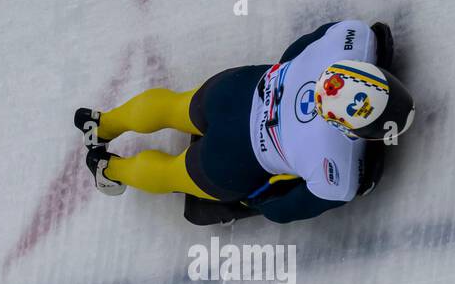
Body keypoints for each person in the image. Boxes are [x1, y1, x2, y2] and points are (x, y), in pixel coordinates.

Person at [74, 20, 414, 224]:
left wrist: (284, 75)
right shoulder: (335, 169)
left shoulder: (353, 38)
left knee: (174, 106)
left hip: (235, 91)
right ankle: (109, 170)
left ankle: (102, 123)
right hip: (232, 162)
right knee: (170, 174)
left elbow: (299, 47)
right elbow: (285, 212)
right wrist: (257, 203)